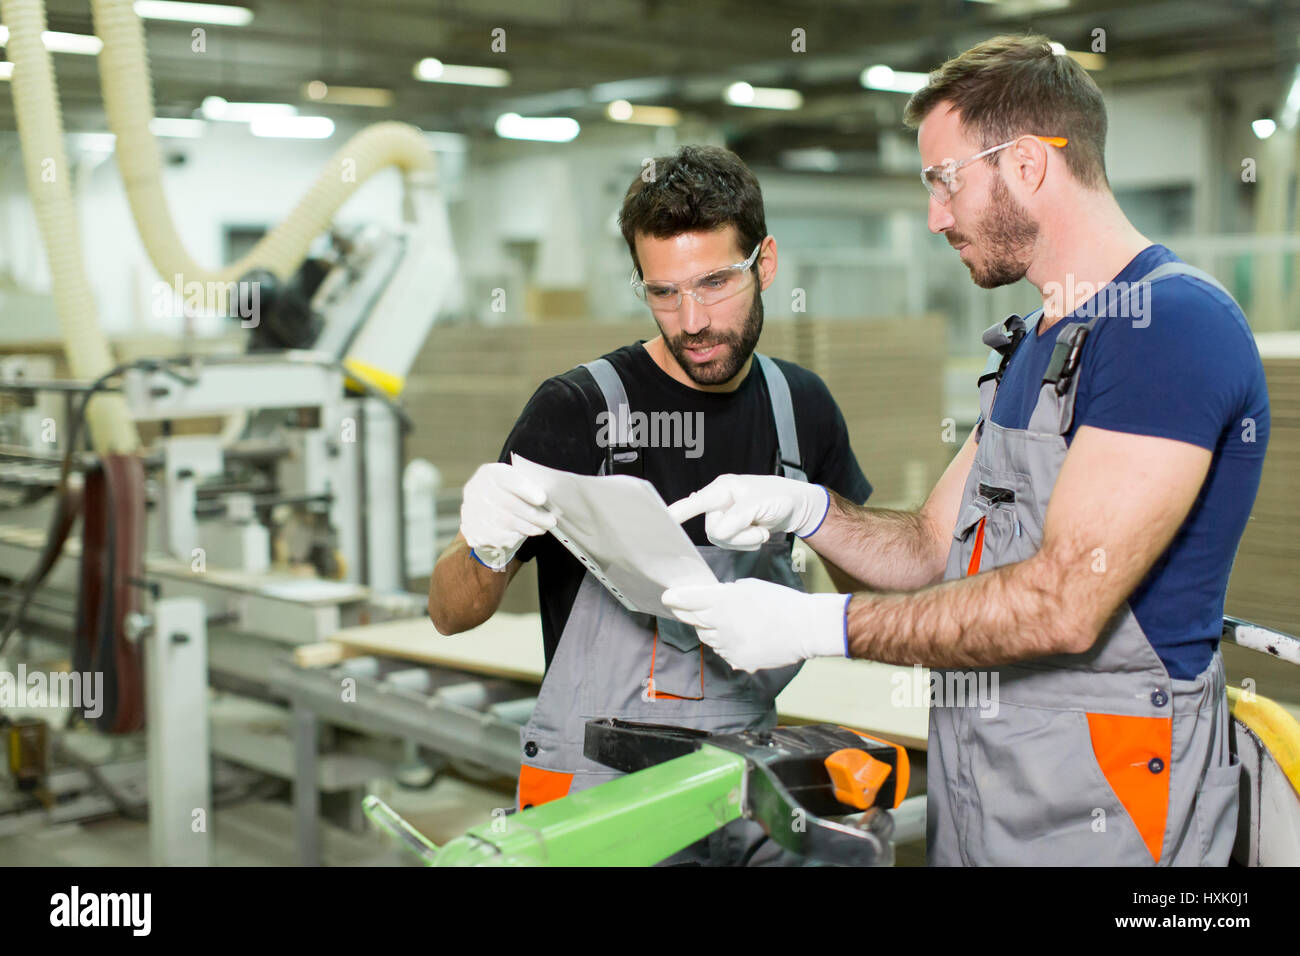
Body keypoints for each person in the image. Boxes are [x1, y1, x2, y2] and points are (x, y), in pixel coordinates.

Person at [662, 35, 1270, 866]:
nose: (934, 216)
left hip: (1111, 802)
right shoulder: (1039, 344)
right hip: (989, 781)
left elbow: (1064, 601)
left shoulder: (1169, 328)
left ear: (1026, 164)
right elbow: (924, 551)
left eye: (944, 180)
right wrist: (807, 512)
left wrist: (817, 622)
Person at [427, 144, 872, 865]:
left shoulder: (802, 409)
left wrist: (815, 511)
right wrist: (485, 543)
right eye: (663, 292)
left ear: (766, 264)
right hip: (597, 791)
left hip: (744, 774)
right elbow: (452, 615)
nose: (692, 320)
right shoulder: (578, 411)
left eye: (715, 283)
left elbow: (874, 597)